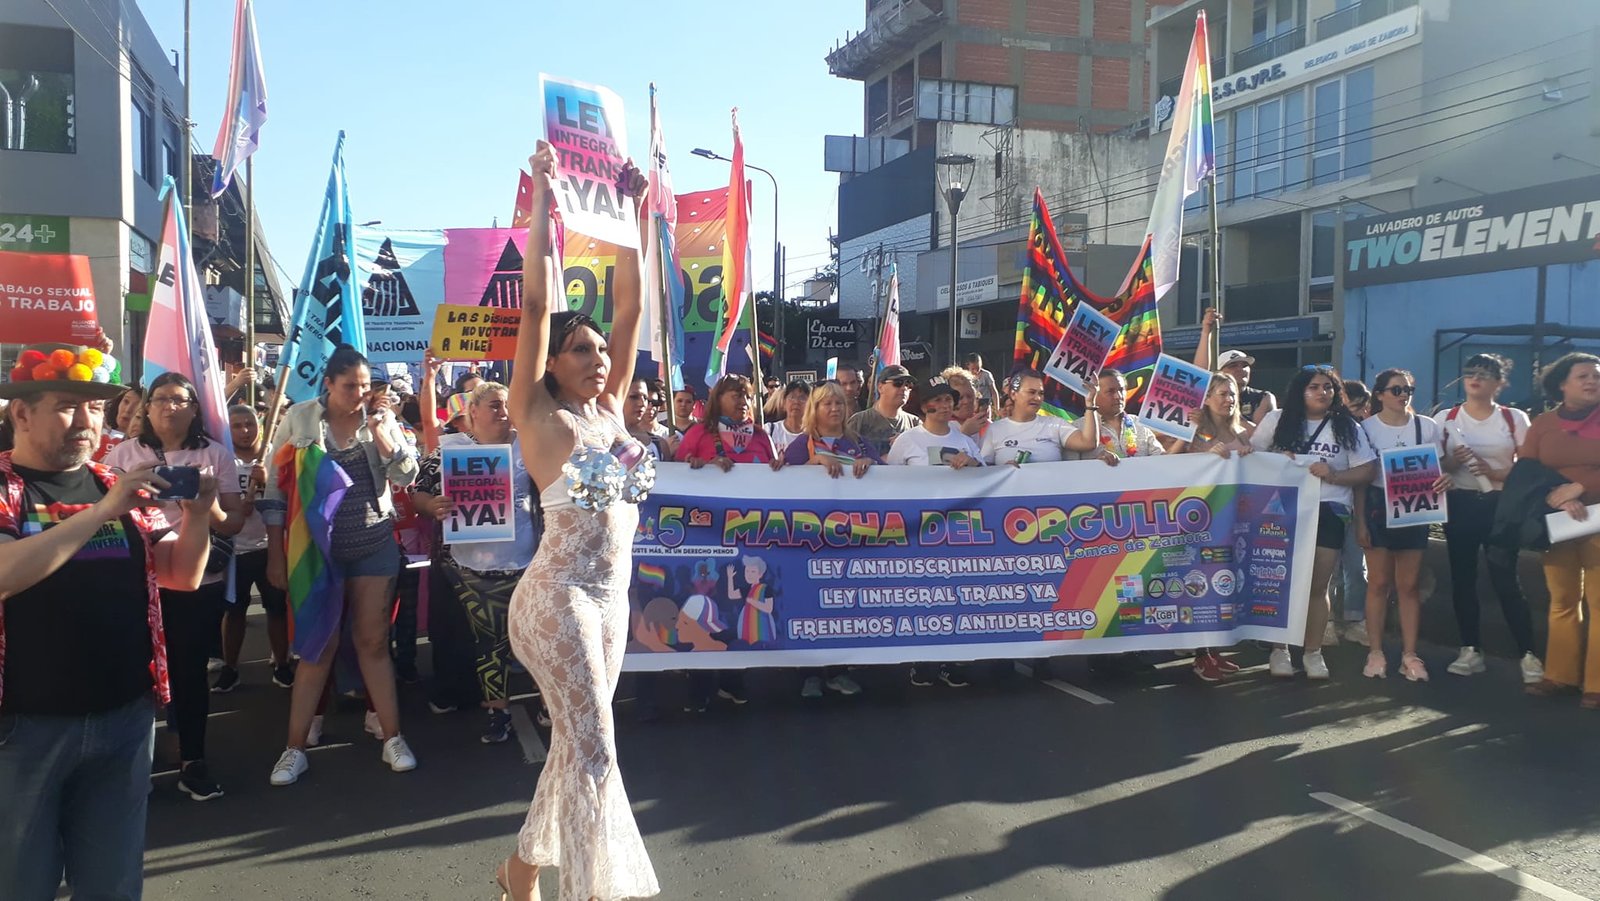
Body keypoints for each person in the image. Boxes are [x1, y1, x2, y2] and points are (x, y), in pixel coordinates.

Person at [492, 143, 659, 901]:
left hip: (610, 600)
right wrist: (540, 201)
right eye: (579, 348)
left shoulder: (613, 409)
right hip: (555, 598)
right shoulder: (539, 414)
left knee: (573, 746)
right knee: (597, 753)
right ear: (552, 363)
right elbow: (532, 306)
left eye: (599, 348)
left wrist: (633, 210)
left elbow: (631, 307)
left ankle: (519, 872)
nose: (597, 355)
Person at [0, 347, 215, 900]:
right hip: (23, 728)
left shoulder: (106, 480)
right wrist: (100, 513)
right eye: (67, 407)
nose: (87, 423)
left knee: (112, 885)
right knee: (22, 883)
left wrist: (196, 518)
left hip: (124, 717)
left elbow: (180, 575)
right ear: (21, 414)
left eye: (95, 410)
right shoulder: (8, 487)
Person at [261, 345, 420, 787]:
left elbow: (407, 476)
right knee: (317, 647)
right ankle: (293, 749)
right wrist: (276, 552)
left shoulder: (381, 422)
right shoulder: (301, 418)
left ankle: (393, 737)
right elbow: (275, 490)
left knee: (372, 642)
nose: (360, 394)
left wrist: (385, 434)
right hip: (316, 550)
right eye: (351, 386)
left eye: (366, 386)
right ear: (328, 384)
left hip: (373, 545)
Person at [104, 373, 245, 801]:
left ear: (194, 408)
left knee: (189, 671)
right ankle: (133, 762)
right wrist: (131, 495)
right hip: (135, 577)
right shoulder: (122, 454)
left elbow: (235, 522)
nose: (170, 407)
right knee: (134, 671)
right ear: (146, 408)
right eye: (161, 399)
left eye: (180, 400)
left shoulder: (216, 455)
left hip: (193, 577)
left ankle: (193, 759)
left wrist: (206, 507)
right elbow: (103, 519)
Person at [413, 382, 540, 745]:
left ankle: (548, 702)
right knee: (490, 645)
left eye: (507, 405)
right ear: (473, 412)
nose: (503, 412)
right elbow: (418, 490)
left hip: (529, 564)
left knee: (535, 641)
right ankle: (497, 713)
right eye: (495, 405)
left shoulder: (529, 445)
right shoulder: (450, 450)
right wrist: (432, 505)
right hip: (474, 570)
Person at [1250, 365, 1377, 680]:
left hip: (1330, 510)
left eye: (1328, 387)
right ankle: (1279, 650)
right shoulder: (1277, 421)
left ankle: (1312, 651)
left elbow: (1366, 470)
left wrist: (1333, 475)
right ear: (1300, 391)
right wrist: (1280, 459)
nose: (1323, 392)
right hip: (1281, 511)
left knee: (1319, 586)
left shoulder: (1346, 425)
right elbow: (1251, 456)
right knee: (1281, 583)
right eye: (1314, 387)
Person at [1434, 354, 1542, 683]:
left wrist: (1493, 471)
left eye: (1485, 373)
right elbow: (1434, 466)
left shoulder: (1514, 419)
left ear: (1501, 383)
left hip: (1499, 507)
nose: (1475, 378)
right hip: (1460, 505)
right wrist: (1452, 464)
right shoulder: (1445, 418)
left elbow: (1528, 468)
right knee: (1463, 580)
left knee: (1506, 579)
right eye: (1470, 373)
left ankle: (1528, 653)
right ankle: (1470, 649)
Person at [1354, 369, 1452, 682]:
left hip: (1415, 508)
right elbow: (1360, 480)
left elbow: (1437, 467)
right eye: (1395, 389)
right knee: (1379, 582)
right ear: (1379, 394)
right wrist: (1360, 522)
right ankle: (1376, 651)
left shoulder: (1427, 426)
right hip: (1378, 507)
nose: (1403, 395)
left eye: (1407, 389)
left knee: (1409, 585)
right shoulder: (1366, 429)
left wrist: (1443, 478)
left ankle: (1410, 654)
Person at [884, 381, 980, 689]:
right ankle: (922, 661)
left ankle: (951, 662)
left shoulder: (963, 440)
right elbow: (888, 481)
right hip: (919, 533)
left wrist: (974, 463)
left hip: (958, 533)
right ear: (926, 407)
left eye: (950, 399)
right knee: (924, 596)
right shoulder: (908, 441)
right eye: (939, 400)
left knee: (954, 597)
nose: (948, 405)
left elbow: (989, 475)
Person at [1519, 352, 1600, 709]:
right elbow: (1527, 470)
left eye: (1596, 376)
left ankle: (1596, 685)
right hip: (1558, 521)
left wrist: (1580, 487)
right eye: (1583, 375)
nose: (1592, 381)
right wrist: (1559, 497)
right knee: (1563, 600)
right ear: (1562, 384)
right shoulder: (1544, 423)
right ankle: (1561, 675)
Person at [1171, 371, 1252, 681]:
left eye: (1232, 394)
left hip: (1231, 523)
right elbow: (1170, 461)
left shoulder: (1242, 432)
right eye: (1221, 393)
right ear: (1206, 399)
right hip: (1198, 522)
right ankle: (1201, 654)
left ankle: (1215, 650)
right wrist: (1203, 454)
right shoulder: (1196, 430)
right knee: (1199, 587)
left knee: (1224, 587)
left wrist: (1250, 456)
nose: (1228, 400)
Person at [215, 404, 293, 693]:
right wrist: (241, 503)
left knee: (276, 608)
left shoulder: (275, 455)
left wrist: (268, 482)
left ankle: (282, 664)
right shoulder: (223, 460)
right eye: (237, 425)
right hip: (235, 550)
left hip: (270, 547)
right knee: (235, 611)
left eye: (250, 423)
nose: (245, 430)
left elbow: (288, 495)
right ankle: (230, 667)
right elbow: (221, 505)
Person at [1330, 378, 1373, 647]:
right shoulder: (1332, 428)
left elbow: (1366, 473)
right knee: (1330, 570)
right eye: (1355, 405)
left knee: (1357, 569)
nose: (1361, 412)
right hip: (1334, 506)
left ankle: (1355, 620)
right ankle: (1328, 621)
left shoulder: (1364, 430)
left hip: (1358, 507)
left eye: (1364, 406)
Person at [675, 374, 780, 473]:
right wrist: (706, 468)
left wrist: (779, 465)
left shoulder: (761, 435)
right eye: (737, 396)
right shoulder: (698, 433)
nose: (745, 402)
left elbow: (777, 477)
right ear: (718, 399)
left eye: (748, 397)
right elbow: (676, 476)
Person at [1194, 309, 1277, 430]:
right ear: (1219, 372)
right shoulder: (1207, 396)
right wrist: (1206, 332)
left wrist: (1228, 416)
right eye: (1233, 366)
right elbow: (1198, 375)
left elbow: (1261, 438)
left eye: (1244, 365)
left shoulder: (1262, 398)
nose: (1240, 369)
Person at [1065, 369, 1167, 463]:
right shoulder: (1077, 429)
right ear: (1093, 395)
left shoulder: (1139, 424)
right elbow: (1069, 472)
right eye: (1110, 391)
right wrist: (1095, 465)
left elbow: (1162, 462)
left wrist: (1181, 439)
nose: (1118, 396)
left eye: (1122, 390)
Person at [979, 371, 1074, 465]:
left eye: (1041, 393)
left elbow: (1086, 442)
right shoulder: (995, 429)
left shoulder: (1054, 424)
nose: (1037, 398)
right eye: (1031, 392)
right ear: (1013, 394)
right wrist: (1002, 470)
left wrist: (1089, 405)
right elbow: (983, 468)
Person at [847, 364, 921, 459]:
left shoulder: (915, 423)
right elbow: (845, 456)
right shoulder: (859, 421)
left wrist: (907, 442)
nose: (904, 388)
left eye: (908, 384)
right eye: (898, 383)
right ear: (880, 387)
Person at [624, 378, 676, 461]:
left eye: (645, 398)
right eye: (634, 397)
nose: (642, 403)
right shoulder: (604, 439)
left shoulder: (659, 444)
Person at [941, 366, 990, 440]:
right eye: (960, 398)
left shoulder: (986, 425)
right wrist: (964, 433)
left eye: (969, 396)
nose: (966, 401)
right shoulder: (939, 426)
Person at [766, 379, 810, 456]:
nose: (796, 402)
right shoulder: (769, 430)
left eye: (802, 398)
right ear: (783, 403)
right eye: (792, 397)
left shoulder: (814, 434)